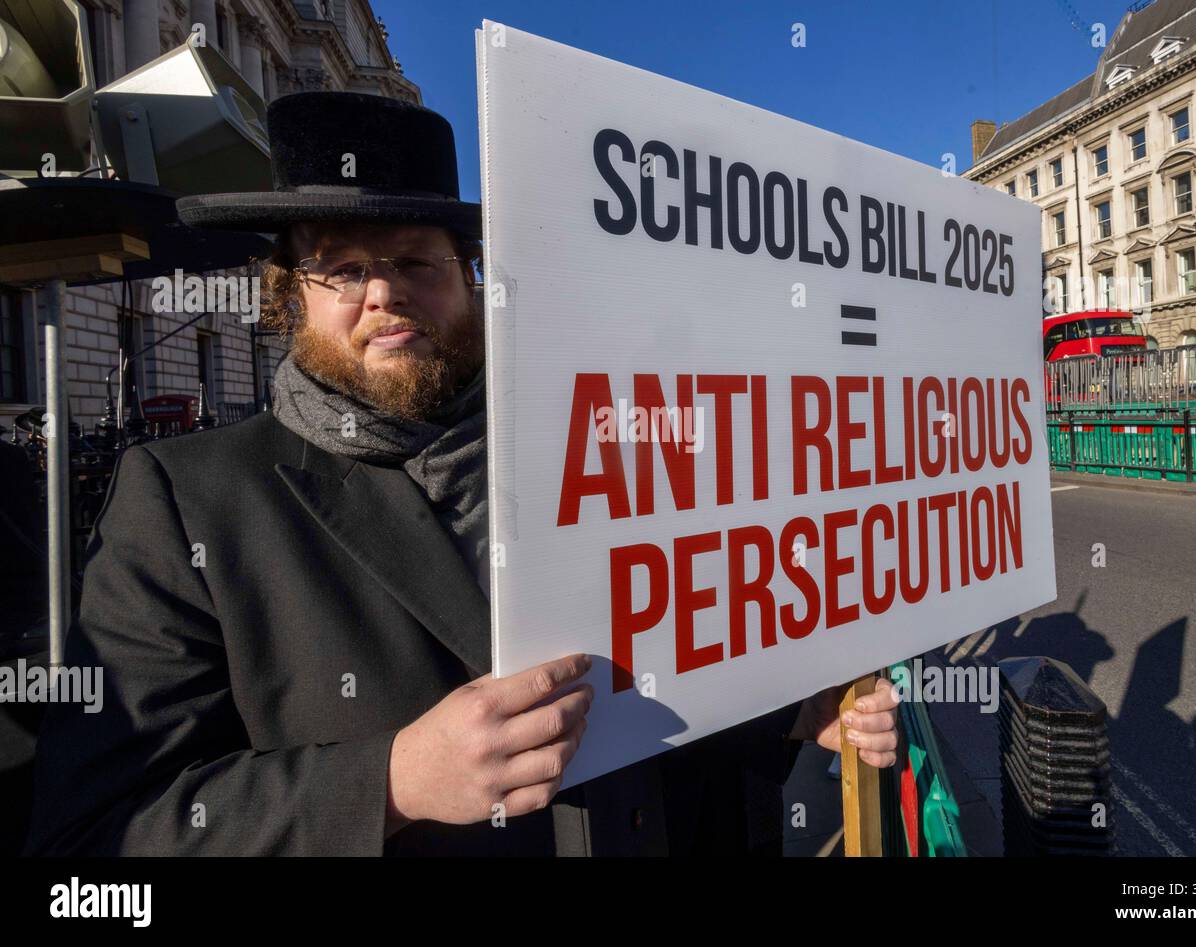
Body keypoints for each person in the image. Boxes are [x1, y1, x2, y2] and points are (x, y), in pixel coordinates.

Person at [25, 92, 898, 856]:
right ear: (289, 293)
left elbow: (658, 681)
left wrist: (792, 712)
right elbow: (95, 838)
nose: (386, 293)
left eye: (416, 261)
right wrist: (392, 781)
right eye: (343, 266)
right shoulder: (186, 502)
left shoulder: (591, 451)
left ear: (469, 281)